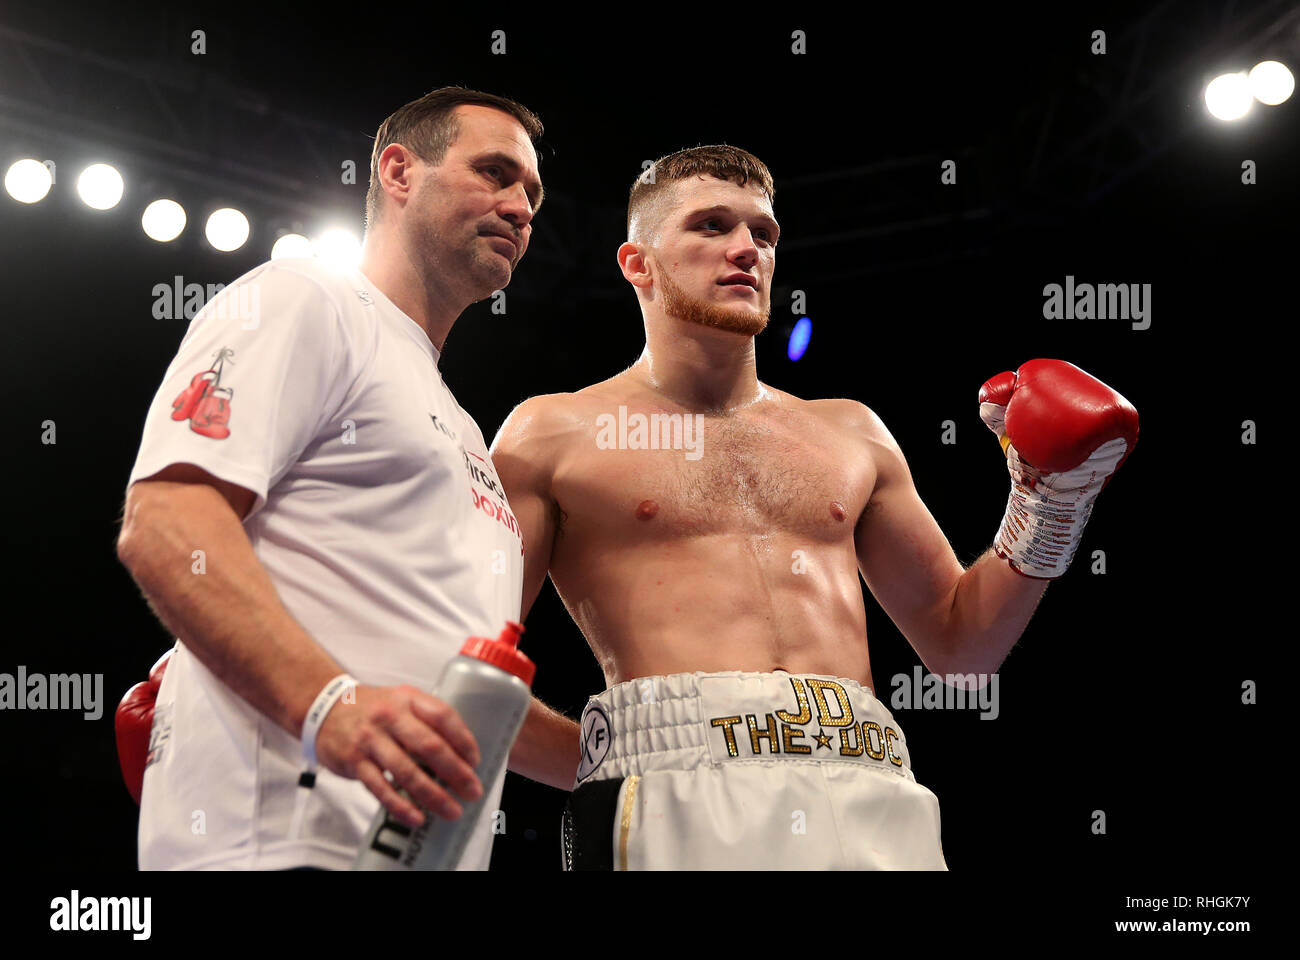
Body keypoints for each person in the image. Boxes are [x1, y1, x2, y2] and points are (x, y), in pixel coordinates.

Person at [489, 145, 1138, 869]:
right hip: (675, 785)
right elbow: (464, 669)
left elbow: (963, 650)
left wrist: (1046, 507)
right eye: (711, 226)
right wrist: (611, 758)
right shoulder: (553, 432)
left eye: (763, 234)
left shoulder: (851, 429)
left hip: (874, 781)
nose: (745, 250)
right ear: (638, 264)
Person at [116, 86, 579, 870]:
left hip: (413, 853)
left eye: (532, 193)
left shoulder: (462, 429)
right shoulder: (303, 299)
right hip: (276, 843)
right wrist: (325, 703)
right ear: (398, 172)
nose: (521, 206)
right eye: (495, 173)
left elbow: (459, 699)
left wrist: (629, 769)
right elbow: (166, 522)